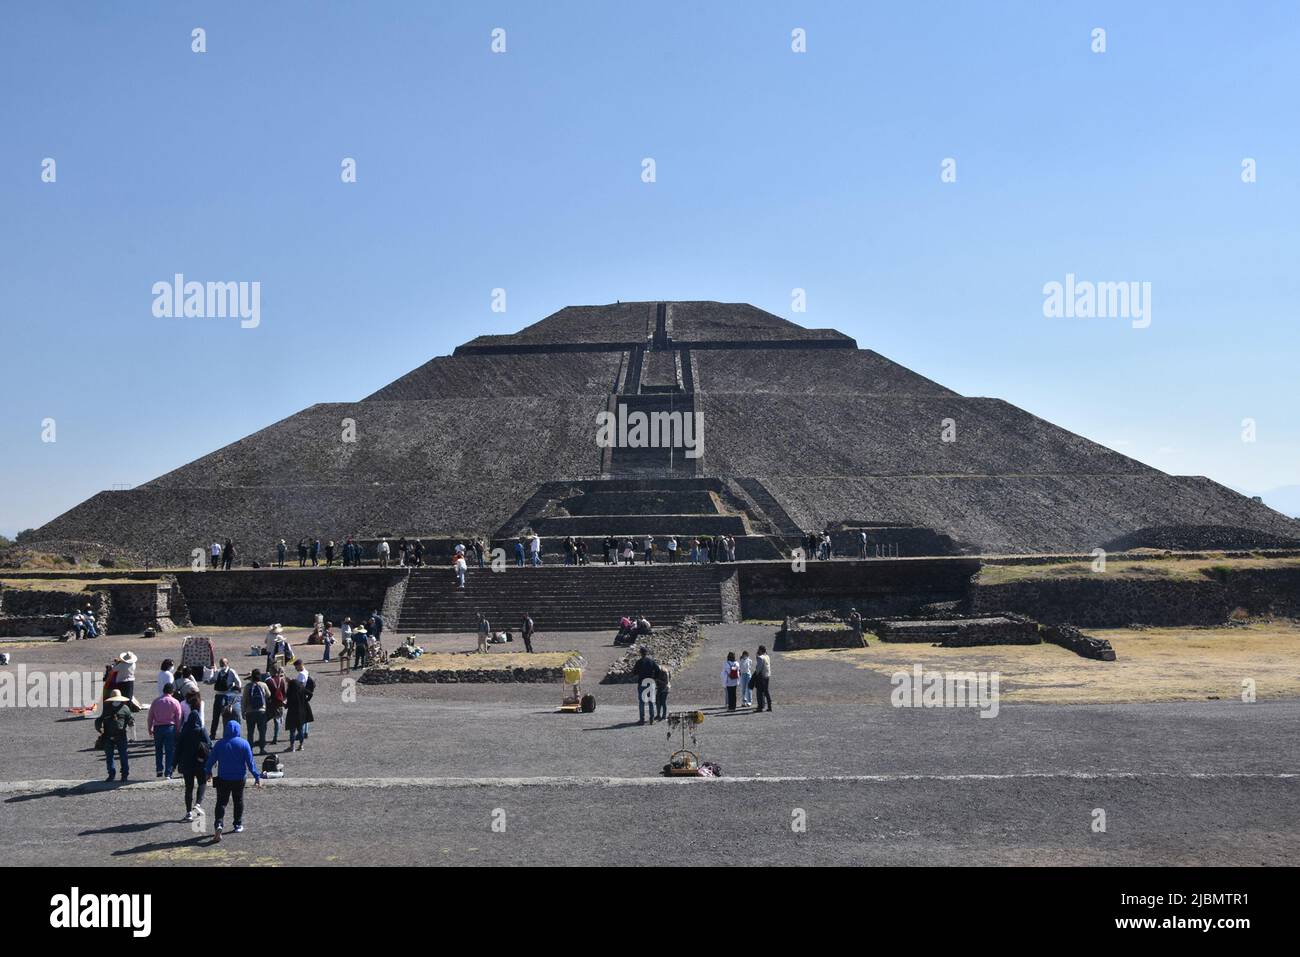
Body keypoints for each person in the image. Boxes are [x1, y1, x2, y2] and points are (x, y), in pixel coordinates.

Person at [203, 719, 262, 840]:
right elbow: (251, 763)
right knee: (238, 801)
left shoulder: (220, 744)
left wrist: (208, 772)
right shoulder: (244, 743)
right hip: (239, 778)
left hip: (223, 778)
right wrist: (257, 776)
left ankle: (219, 824)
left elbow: (210, 761)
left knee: (221, 803)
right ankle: (238, 824)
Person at [176, 691, 211, 821]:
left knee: (188, 787)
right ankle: (198, 804)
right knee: (202, 783)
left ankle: (188, 812)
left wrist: (174, 764)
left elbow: (178, 748)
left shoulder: (184, 730)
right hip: (200, 761)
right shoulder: (201, 730)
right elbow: (209, 744)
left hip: (186, 763)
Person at [96, 688, 134, 782]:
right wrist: (99, 728)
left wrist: (99, 728)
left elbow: (131, 720)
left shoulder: (124, 708)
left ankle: (122, 774)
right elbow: (98, 720)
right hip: (109, 736)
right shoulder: (109, 709)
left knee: (121, 756)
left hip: (119, 736)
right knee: (112, 756)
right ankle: (113, 774)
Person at [148, 683, 184, 778]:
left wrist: (150, 728)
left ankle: (159, 769)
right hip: (170, 728)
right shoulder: (175, 702)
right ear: (172, 691)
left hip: (158, 728)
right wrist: (178, 729)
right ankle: (168, 772)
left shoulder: (156, 701)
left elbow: (150, 716)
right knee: (169, 751)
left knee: (158, 749)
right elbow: (178, 717)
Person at [285, 665, 314, 752]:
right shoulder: (301, 689)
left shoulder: (290, 692)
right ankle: (301, 746)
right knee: (300, 730)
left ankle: (292, 746)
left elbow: (288, 702)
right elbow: (311, 694)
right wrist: (306, 701)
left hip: (292, 713)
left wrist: (285, 705)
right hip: (301, 712)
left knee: (292, 731)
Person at [241, 669, 271, 754]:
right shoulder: (263, 685)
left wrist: (243, 711)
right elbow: (269, 694)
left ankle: (250, 749)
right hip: (261, 711)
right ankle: (262, 749)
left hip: (250, 712)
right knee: (262, 731)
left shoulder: (247, 686)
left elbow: (244, 700)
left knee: (250, 732)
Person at [210, 657, 242, 735]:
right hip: (219, 695)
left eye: (223, 663)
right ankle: (213, 733)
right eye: (221, 663)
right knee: (216, 716)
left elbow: (239, 683)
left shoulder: (231, 672)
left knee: (226, 716)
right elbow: (213, 680)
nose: (222, 665)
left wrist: (234, 690)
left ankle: (226, 733)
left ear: (227, 663)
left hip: (227, 696)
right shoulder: (218, 672)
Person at [632, 646, 658, 726]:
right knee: (651, 702)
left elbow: (634, 672)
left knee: (642, 702)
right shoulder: (651, 661)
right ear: (647, 653)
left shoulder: (639, 662)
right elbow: (658, 670)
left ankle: (642, 720)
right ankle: (651, 719)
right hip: (650, 682)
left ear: (640, 653)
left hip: (642, 683)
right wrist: (654, 678)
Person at [265, 666, 289, 745]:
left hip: (270, 704)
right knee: (277, 721)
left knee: (264, 721)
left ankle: (263, 737)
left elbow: (266, 693)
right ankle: (275, 737)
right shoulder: (281, 680)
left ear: (271, 671)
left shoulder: (268, 681)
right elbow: (284, 693)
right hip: (279, 703)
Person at [753, 645, 773, 712]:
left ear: (760, 650)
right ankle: (769, 706)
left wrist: (757, 656)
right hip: (767, 675)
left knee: (759, 692)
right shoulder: (767, 656)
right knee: (766, 691)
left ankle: (760, 707)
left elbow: (758, 668)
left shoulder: (760, 658)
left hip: (761, 677)